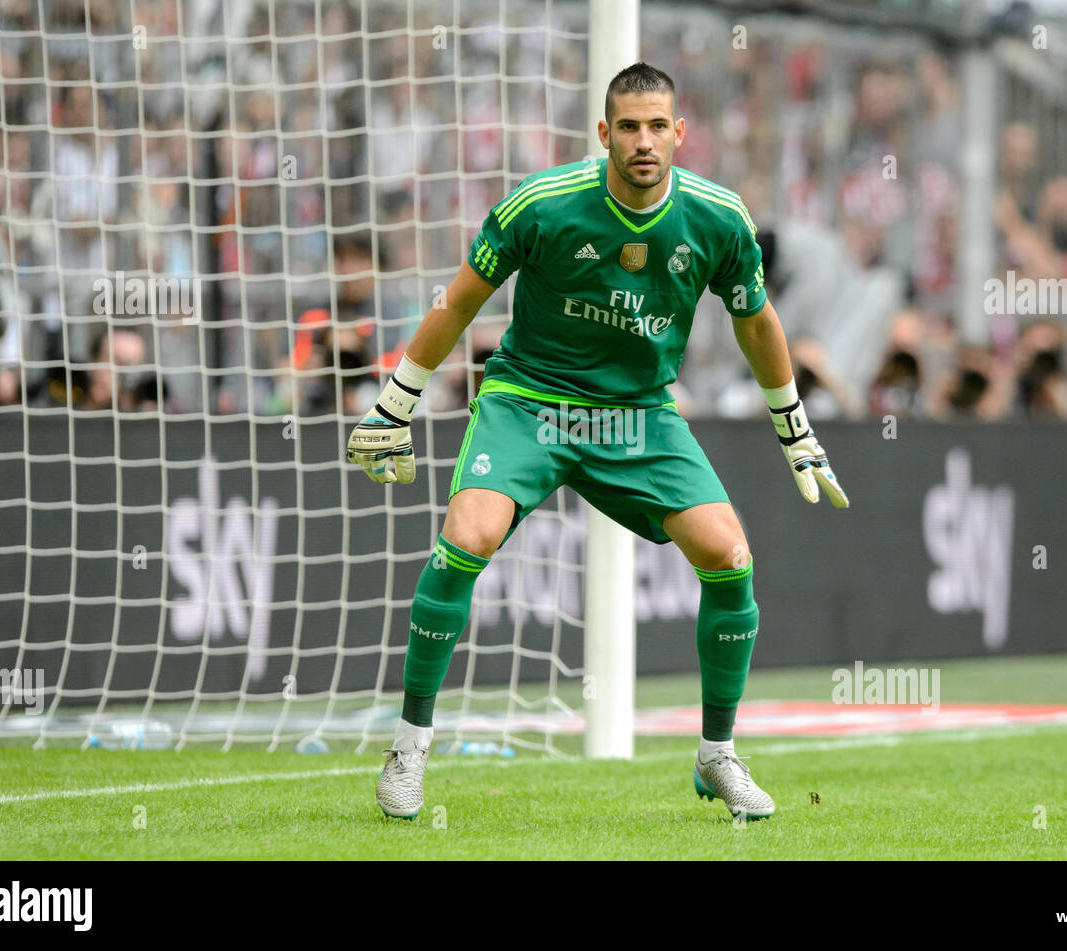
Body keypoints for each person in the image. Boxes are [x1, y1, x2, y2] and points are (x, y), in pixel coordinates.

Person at [346, 63, 849, 822]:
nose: (644, 141)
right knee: (467, 533)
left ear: (680, 134)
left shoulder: (717, 218)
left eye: (659, 126)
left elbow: (757, 322)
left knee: (730, 555)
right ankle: (410, 745)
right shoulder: (542, 206)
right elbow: (459, 301)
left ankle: (717, 755)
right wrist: (396, 400)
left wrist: (795, 427)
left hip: (639, 415)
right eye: (630, 127)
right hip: (530, 402)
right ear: (604, 133)